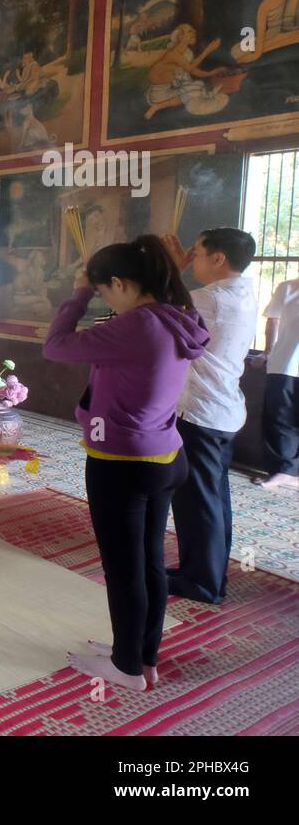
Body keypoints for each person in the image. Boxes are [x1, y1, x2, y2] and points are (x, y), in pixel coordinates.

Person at [43, 235, 208, 691]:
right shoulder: (176, 317)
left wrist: (77, 293)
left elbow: (56, 345)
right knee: (149, 562)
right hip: (164, 455)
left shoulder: (137, 326)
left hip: (122, 461)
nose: (100, 297)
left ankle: (126, 668)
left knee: (124, 569)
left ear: (119, 282)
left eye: (102, 290)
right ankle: (141, 653)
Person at [162, 228, 257, 604]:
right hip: (220, 408)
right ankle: (205, 574)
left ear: (218, 259)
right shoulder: (243, 291)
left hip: (202, 410)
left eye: (197, 252)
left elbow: (157, 310)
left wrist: (173, 267)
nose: (191, 257)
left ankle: (201, 582)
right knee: (213, 497)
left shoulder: (212, 298)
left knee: (197, 500)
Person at [256, 272, 299, 489]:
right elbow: (272, 320)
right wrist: (267, 352)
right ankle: (283, 470)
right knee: (278, 416)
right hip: (285, 362)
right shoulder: (287, 287)